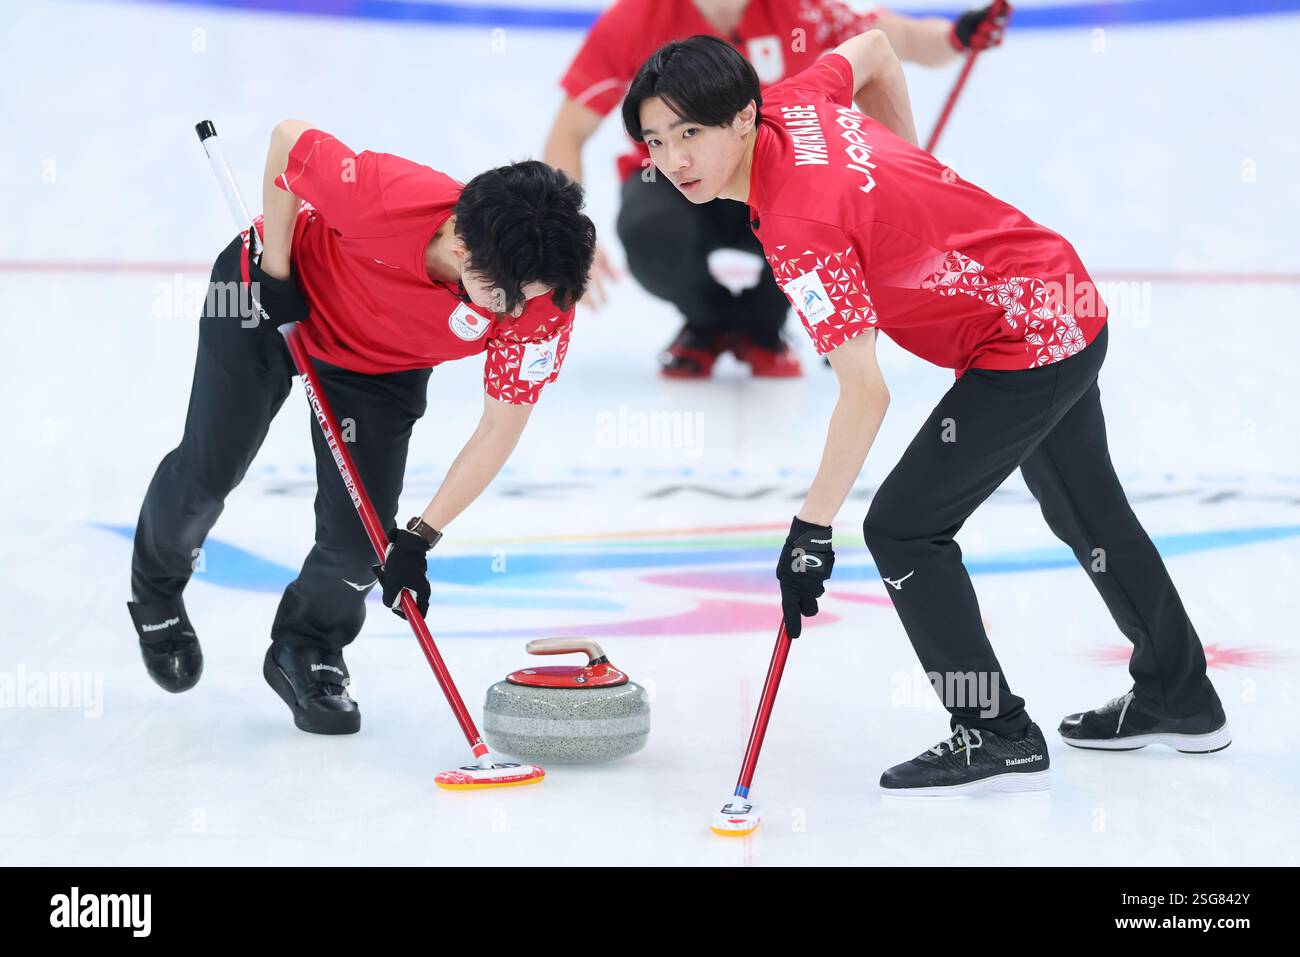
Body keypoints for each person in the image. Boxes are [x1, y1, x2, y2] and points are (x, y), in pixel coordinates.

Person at [620, 33, 1229, 793]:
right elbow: (873, 47)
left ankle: (993, 729)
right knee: (1090, 513)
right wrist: (911, 179)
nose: (674, 160)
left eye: (690, 133)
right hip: (1058, 294)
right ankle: (1181, 694)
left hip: (1028, 338)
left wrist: (811, 527)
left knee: (903, 528)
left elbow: (865, 391)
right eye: (655, 140)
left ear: (743, 118)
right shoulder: (795, 101)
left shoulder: (798, 229)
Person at [128, 120, 595, 734]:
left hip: (379, 365)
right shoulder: (381, 193)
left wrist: (421, 537)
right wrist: (276, 270)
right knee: (209, 473)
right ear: (462, 250)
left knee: (359, 544)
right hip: (264, 299)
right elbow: (289, 140)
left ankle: (307, 645)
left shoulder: (541, 302)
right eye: (505, 298)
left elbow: (499, 426)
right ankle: (156, 590)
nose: (518, 314)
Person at [545, 0, 1009, 379]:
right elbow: (569, 130)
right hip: (674, 179)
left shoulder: (805, 10)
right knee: (652, 234)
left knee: (813, 220)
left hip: (769, 179)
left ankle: (764, 326)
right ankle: (709, 323)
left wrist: (957, 36)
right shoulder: (633, 20)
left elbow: (894, 39)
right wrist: (567, 234)